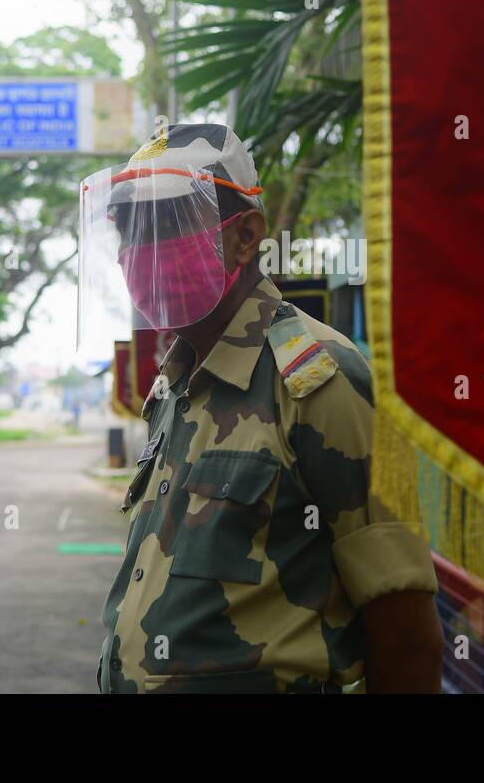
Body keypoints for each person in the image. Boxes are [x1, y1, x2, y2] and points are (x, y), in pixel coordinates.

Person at [83, 123, 443, 694]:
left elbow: (406, 635)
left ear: (246, 236)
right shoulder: (175, 382)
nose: (140, 252)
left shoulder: (319, 380)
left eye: (168, 224)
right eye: (130, 230)